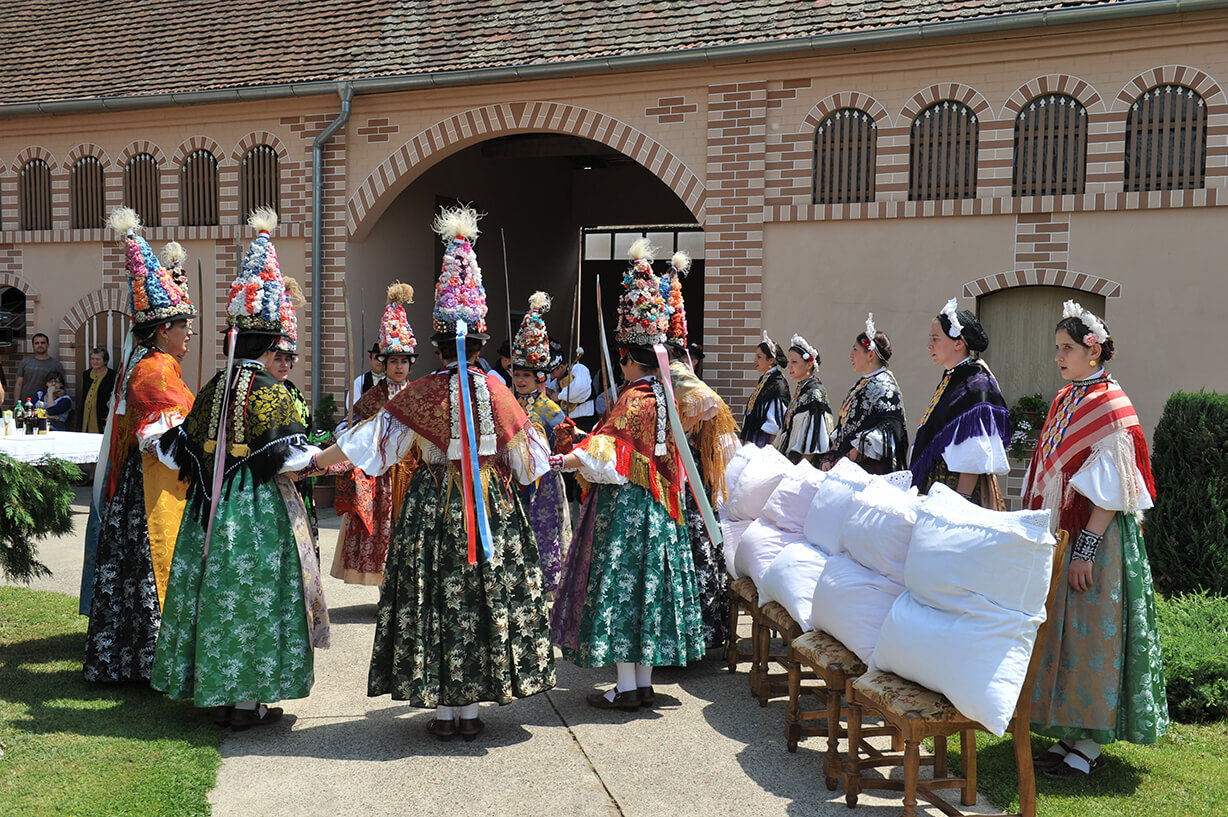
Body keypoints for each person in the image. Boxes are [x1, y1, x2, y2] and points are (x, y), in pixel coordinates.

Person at [307, 206, 555, 742]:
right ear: (481, 342)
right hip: (491, 502)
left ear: (439, 345)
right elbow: (530, 459)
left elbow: (370, 446)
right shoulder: (497, 391)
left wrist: (314, 462)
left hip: (432, 502)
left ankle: (444, 710)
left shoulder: (421, 394)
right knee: (485, 590)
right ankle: (471, 710)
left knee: (435, 595)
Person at [152, 209, 328, 729]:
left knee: (215, 592)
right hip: (257, 514)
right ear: (268, 339)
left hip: (210, 511)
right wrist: (334, 456)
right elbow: (293, 459)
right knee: (255, 598)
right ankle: (250, 703)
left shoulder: (212, 386)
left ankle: (220, 692)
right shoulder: (271, 392)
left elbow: (172, 448)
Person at [552, 238, 705, 711]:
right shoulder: (667, 398)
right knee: (650, 593)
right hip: (663, 509)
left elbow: (607, 454)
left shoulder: (635, 398)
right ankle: (641, 683)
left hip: (627, 512)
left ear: (627, 359)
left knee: (622, 591)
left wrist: (565, 458)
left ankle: (625, 686)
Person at [1024, 300, 1167, 779]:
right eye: (1057, 348)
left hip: (1098, 540)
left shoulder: (1109, 403)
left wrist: (1085, 548)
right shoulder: (1069, 397)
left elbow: (1115, 490)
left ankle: (1089, 745)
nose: (1059, 357)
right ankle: (1072, 732)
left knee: (1091, 640)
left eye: (1066, 348)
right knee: (1067, 634)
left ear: (1094, 350)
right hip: (1068, 533)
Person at [83, 207, 196, 684]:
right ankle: (147, 662)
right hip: (151, 487)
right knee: (149, 567)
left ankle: (139, 660)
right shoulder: (152, 371)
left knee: (139, 576)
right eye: (184, 325)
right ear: (162, 329)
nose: (189, 332)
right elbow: (163, 437)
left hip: (157, 481)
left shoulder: (162, 364)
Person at [661, 249, 738, 650]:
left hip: (684, 476)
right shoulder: (665, 374)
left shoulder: (675, 373)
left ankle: (696, 638)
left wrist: (681, 429)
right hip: (669, 475)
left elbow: (709, 403)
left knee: (690, 549)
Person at [330, 282, 420, 586]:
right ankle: (385, 590)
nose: (398, 366)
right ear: (384, 363)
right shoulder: (370, 397)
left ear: (410, 364)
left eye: (403, 361)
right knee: (384, 533)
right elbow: (344, 427)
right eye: (393, 360)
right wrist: (356, 431)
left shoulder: (418, 396)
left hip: (412, 475)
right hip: (380, 478)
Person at [909, 298, 1010, 508]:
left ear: (958, 343)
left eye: (935, 339)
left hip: (956, 492)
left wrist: (960, 506)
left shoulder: (975, 383)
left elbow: (974, 452)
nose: (929, 346)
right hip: (939, 486)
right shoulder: (955, 377)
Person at [509, 292, 576, 593]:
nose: (520, 380)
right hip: (510, 479)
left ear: (540, 377)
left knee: (544, 532)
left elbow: (564, 441)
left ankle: (545, 586)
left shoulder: (550, 408)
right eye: (516, 373)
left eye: (526, 375)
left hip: (543, 481)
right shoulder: (507, 403)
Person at [269, 277, 320, 545]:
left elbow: (310, 432)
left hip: (300, 483)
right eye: (278, 358)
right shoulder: (259, 391)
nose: (284, 364)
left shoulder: (294, 392)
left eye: (288, 358)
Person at [824, 314, 908, 473]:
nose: (850, 355)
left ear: (870, 354)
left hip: (868, 470)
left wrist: (850, 456)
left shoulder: (884, 385)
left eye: (855, 349)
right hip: (849, 466)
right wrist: (833, 456)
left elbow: (887, 427)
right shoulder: (864, 382)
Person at [774, 333, 834, 465]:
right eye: (789, 362)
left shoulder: (814, 392)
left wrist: (800, 471)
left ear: (809, 364)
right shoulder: (802, 389)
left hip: (805, 467)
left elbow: (814, 439)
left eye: (794, 362)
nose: (789, 366)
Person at [742, 331, 790, 447]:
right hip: (755, 438)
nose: (755, 360)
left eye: (759, 357)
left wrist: (770, 452)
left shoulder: (776, 384)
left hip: (764, 442)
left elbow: (775, 424)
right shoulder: (765, 380)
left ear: (771, 360)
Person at [551, 347, 596, 432]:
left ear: (561, 367)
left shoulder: (579, 369)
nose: (552, 376)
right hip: (566, 422)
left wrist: (559, 396)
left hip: (584, 420)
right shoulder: (556, 380)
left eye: (553, 372)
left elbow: (580, 388)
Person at [15, 332, 65, 404]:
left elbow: (62, 386)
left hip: (45, 404)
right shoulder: (25, 362)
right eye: (37, 343)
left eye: (43, 343)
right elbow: (19, 384)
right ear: (33, 345)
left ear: (48, 345)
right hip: (26, 403)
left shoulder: (56, 365)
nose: (40, 345)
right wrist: (16, 403)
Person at [78, 347, 117, 433]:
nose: (94, 362)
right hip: (86, 413)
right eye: (92, 359)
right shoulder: (86, 374)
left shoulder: (112, 376)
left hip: (102, 413)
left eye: (98, 359)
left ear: (105, 361)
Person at [343, 343, 385, 414]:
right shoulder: (360, 381)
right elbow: (351, 404)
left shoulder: (390, 381)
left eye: (381, 359)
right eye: (376, 358)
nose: (379, 362)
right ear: (370, 360)